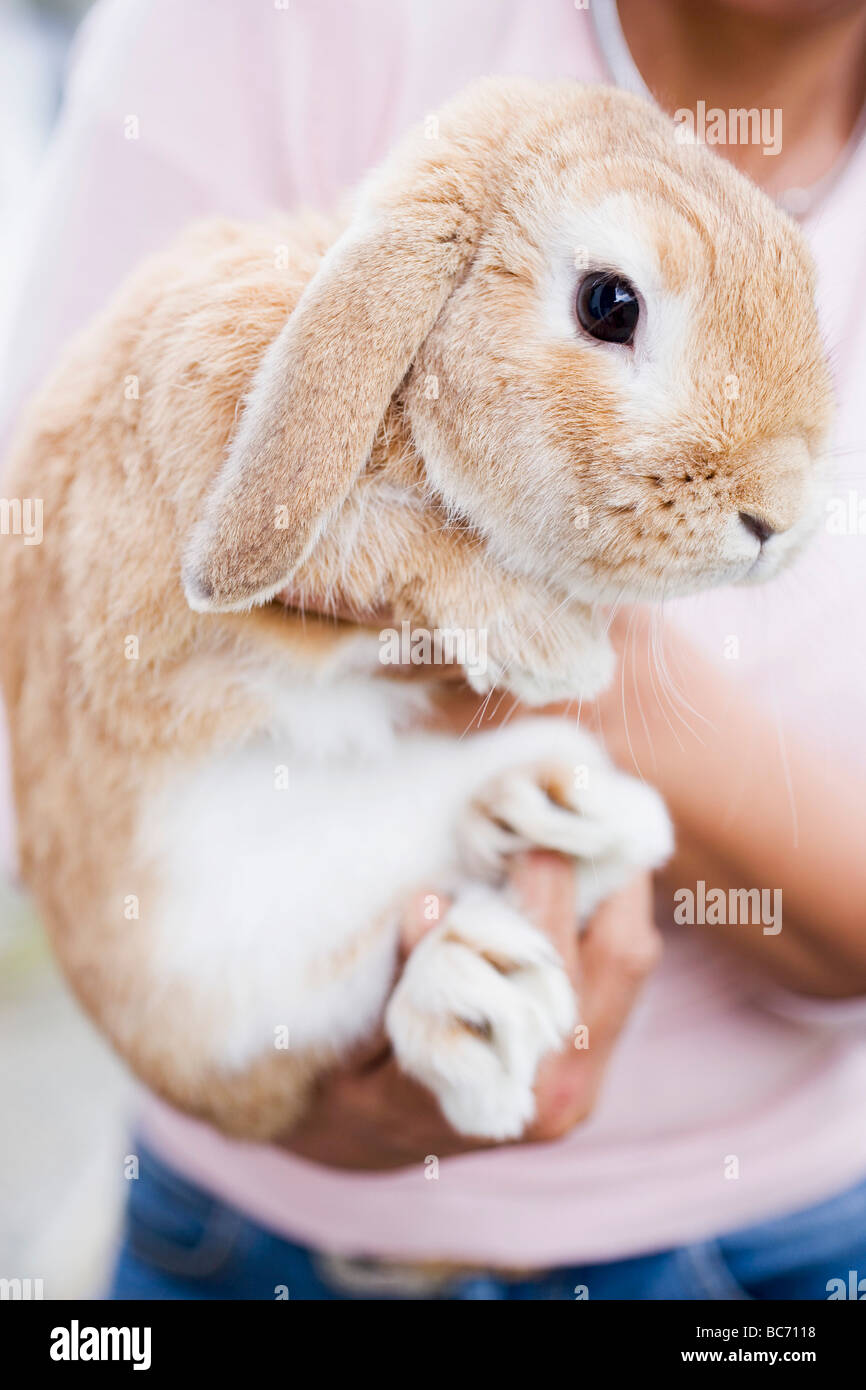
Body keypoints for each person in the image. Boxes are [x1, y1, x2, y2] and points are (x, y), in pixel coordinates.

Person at [2, 0, 865, 1300]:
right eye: (615, 305)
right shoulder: (255, 38)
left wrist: (592, 677)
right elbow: (53, 613)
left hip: (771, 1246)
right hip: (244, 1215)